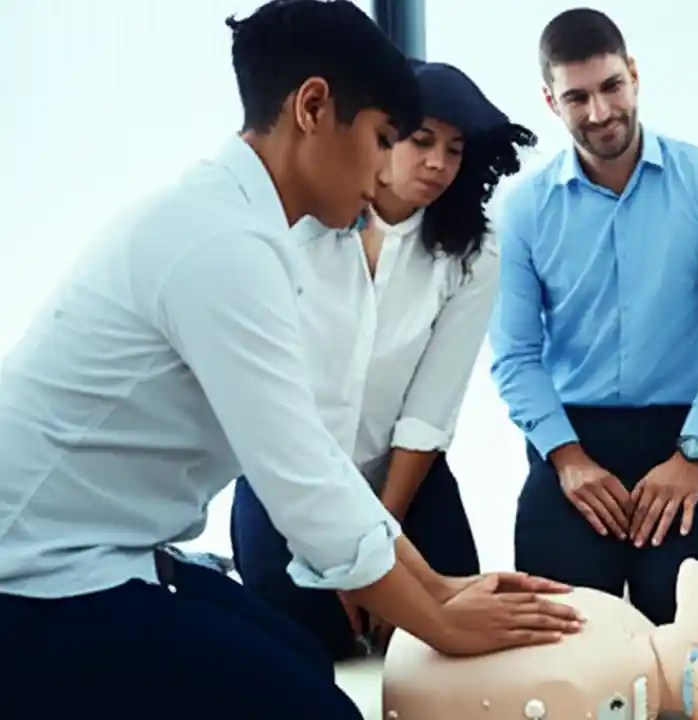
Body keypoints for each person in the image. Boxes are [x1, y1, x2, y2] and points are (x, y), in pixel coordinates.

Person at [0, 2, 579, 717]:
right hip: (34, 579)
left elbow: (317, 453)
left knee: (301, 659)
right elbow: (302, 481)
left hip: (108, 552)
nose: (386, 169)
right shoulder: (223, 244)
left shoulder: (242, 224)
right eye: (384, 139)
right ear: (312, 108)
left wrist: (437, 588)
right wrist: (443, 622)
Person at [230, 58, 539, 661]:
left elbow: (429, 411)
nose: (437, 163)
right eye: (421, 141)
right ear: (382, 135)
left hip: (401, 479)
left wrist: (376, 545)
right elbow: (273, 412)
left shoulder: (474, 254)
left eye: (454, 150)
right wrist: (348, 554)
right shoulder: (297, 232)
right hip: (284, 475)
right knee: (306, 639)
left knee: (449, 638)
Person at [489, 7, 698, 626]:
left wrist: (693, 455)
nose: (599, 112)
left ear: (634, 75)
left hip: (688, 433)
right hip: (573, 438)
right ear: (550, 100)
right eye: (576, 97)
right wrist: (568, 460)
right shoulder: (523, 210)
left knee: (686, 631)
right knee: (566, 631)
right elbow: (514, 354)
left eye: (611, 86)